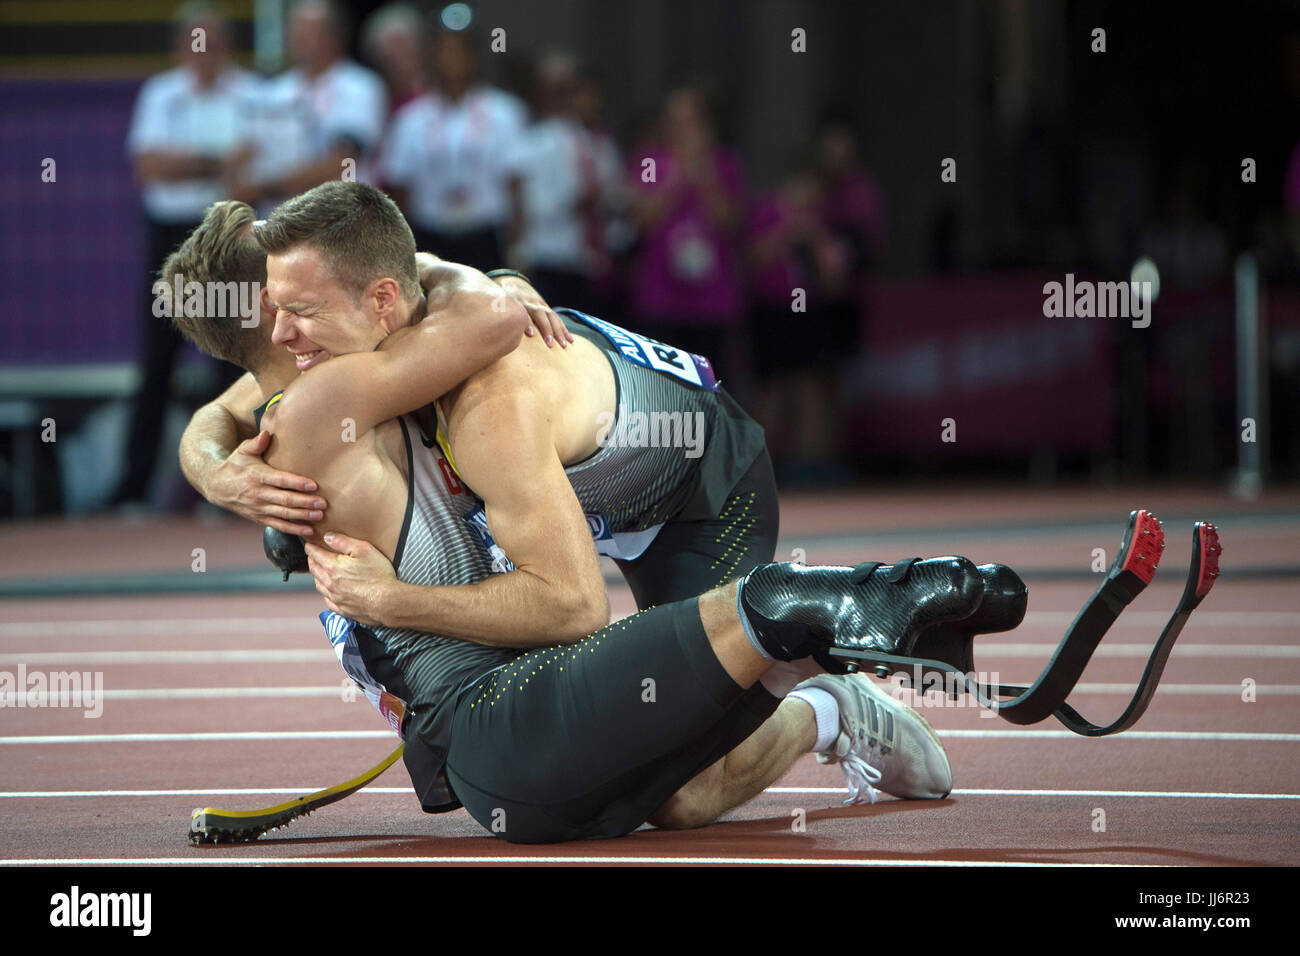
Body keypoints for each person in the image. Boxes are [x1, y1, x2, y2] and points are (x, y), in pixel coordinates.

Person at [159, 195, 977, 840]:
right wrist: (215, 466)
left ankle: (830, 701)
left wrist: (395, 601)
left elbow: (573, 606)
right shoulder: (347, 352)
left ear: (371, 300)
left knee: (686, 792)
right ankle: (803, 690)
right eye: (278, 317)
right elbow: (249, 394)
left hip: (702, 490)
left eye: (299, 311)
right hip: (588, 484)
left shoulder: (472, 387)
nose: (288, 334)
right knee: (657, 779)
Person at [112, 0, 259, 508]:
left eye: (215, 42)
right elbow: (151, 167)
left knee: (235, 361)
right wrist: (218, 163)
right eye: (196, 42)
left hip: (229, 237)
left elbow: (251, 169)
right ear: (180, 46)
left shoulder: (254, 95)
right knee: (157, 363)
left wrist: (195, 166)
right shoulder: (161, 94)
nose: (205, 52)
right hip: (171, 239)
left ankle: (236, 484)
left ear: (229, 46)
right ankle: (134, 488)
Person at [379, 25, 527, 270]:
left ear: (473, 57)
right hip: (430, 236)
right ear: (431, 58)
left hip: (485, 235)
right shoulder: (411, 119)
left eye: (459, 51)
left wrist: (518, 247)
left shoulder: (503, 112)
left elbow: (515, 182)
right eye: (444, 51)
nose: (452, 60)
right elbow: (401, 189)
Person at [235, 0, 386, 211]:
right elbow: (247, 150)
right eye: (293, 30)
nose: (296, 39)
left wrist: (264, 188)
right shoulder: (275, 90)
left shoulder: (360, 87)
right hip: (280, 217)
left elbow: (343, 162)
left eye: (307, 33)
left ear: (334, 37)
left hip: (339, 217)